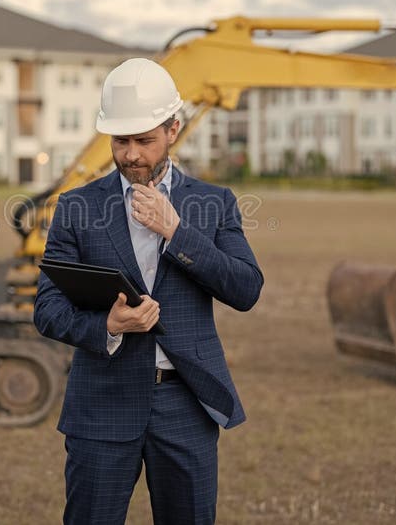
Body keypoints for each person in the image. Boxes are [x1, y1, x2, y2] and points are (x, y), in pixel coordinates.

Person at [34, 58, 264, 525]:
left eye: (145, 140)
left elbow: (246, 289)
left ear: (173, 129)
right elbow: (47, 308)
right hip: (101, 405)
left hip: (185, 406)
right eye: (122, 141)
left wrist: (177, 231)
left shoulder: (214, 203)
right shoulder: (77, 207)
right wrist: (107, 327)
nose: (132, 155)